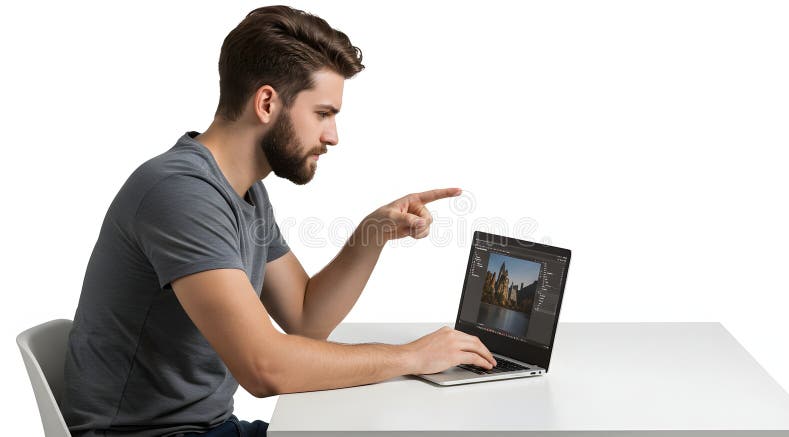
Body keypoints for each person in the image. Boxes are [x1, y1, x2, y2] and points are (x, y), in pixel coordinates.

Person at [62, 5, 497, 436]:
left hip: (209, 428)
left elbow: (305, 320)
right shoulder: (181, 194)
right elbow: (264, 368)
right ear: (267, 102)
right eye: (323, 114)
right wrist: (411, 358)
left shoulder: (244, 191)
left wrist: (372, 233)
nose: (332, 136)